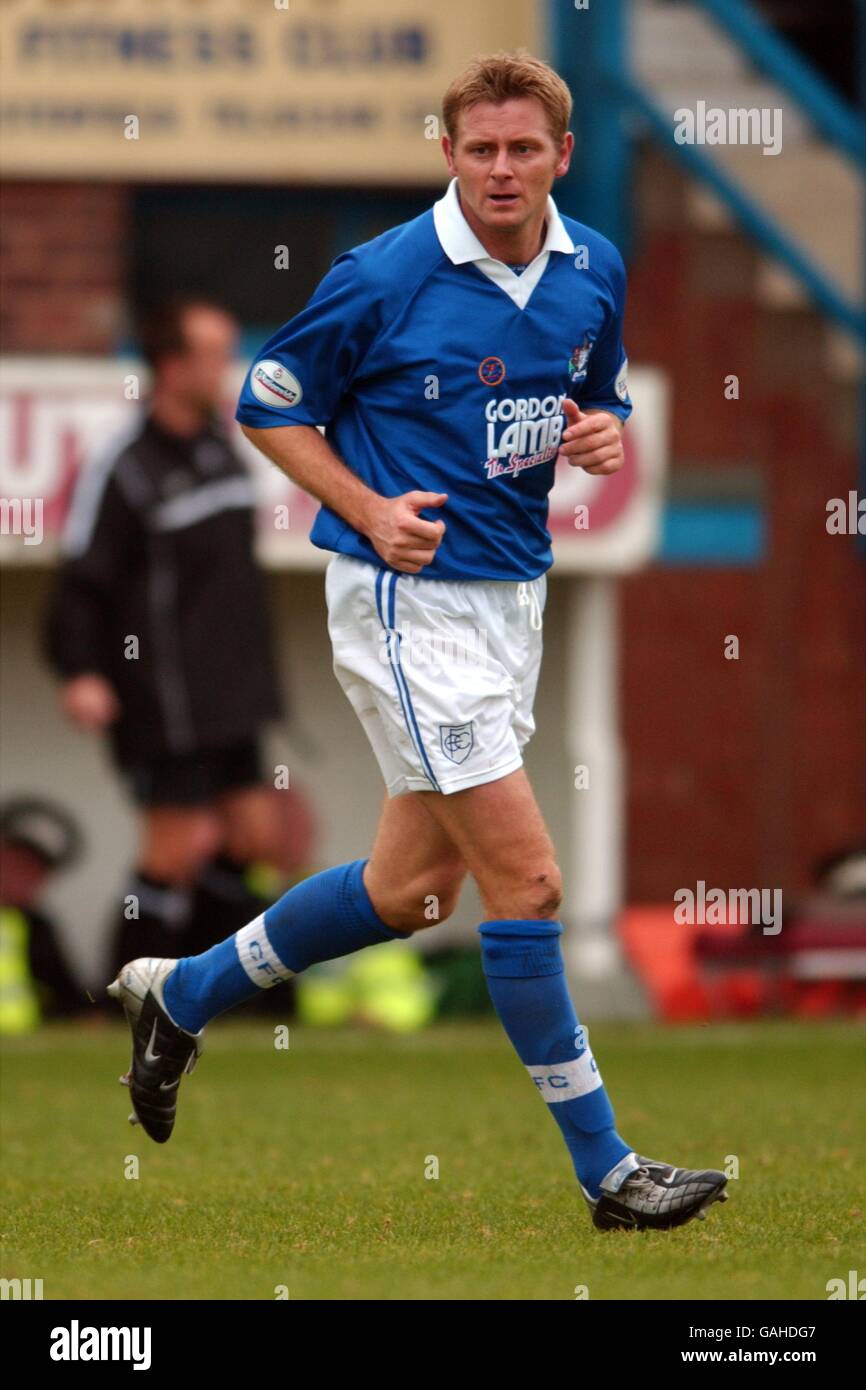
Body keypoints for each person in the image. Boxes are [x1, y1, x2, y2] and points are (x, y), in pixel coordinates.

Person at [108, 52, 728, 1233]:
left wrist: (598, 431)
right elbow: (270, 398)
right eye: (478, 148)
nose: (500, 169)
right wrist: (364, 508)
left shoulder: (593, 264)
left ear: (557, 154)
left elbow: (598, 391)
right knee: (529, 880)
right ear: (446, 152)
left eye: (522, 149)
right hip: (409, 603)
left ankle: (180, 998)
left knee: (407, 893)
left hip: (512, 603)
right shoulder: (385, 271)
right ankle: (609, 1171)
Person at [42, 299, 286, 983]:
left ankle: (207, 990)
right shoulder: (125, 466)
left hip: (233, 692)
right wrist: (82, 671)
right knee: (175, 850)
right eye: (213, 355)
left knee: (253, 838)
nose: (226, 370)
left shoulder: (224, 448)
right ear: (172, 366)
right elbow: (80, 580)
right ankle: (119, 990)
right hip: (163, 695)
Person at [0, 797, 88, 1030]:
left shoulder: (38, 927)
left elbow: (70, 1000)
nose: (25, 876)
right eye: (17, 862)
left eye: (36, 869)